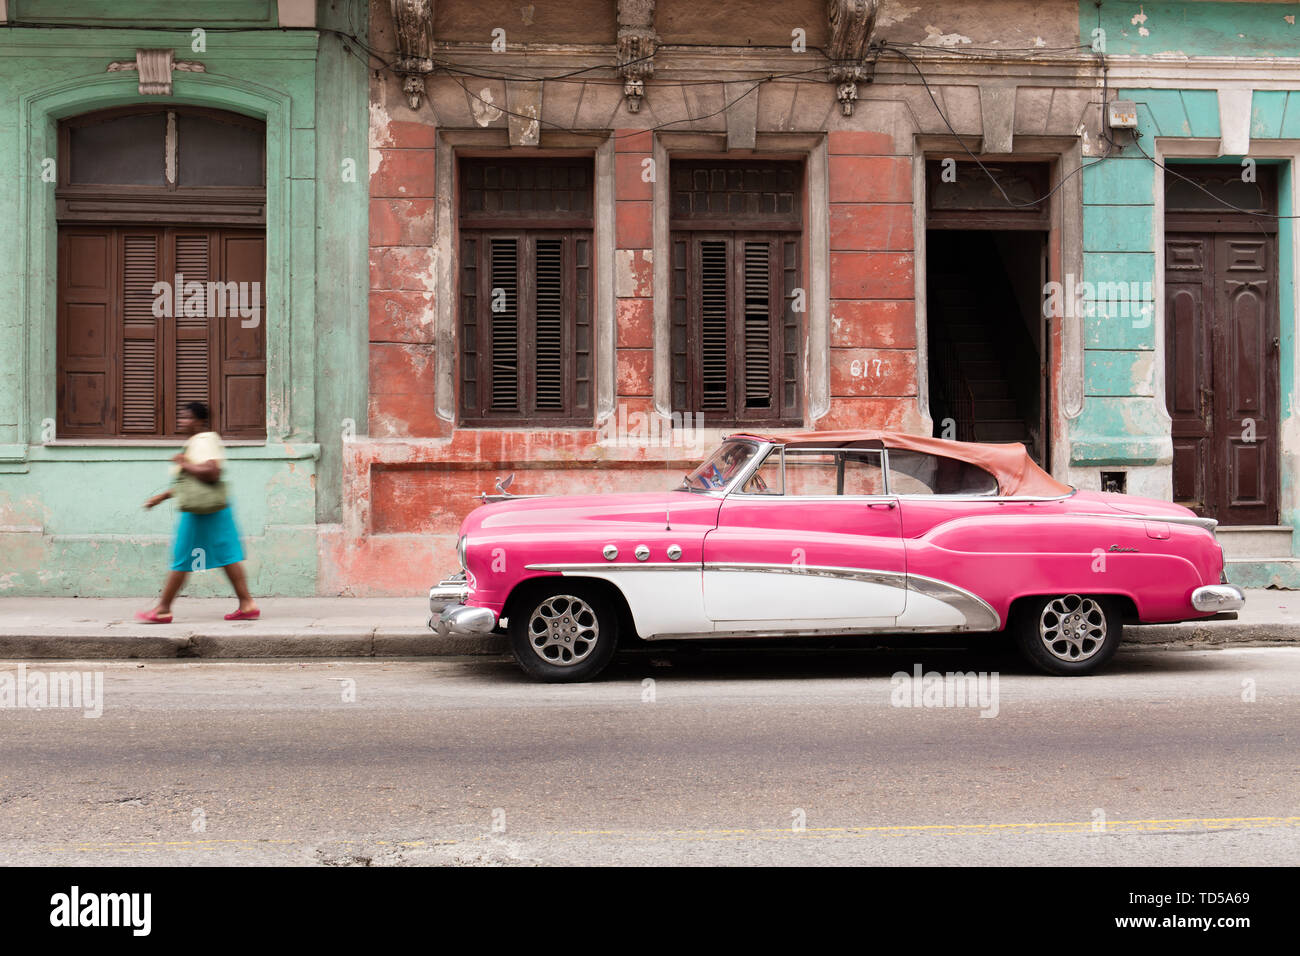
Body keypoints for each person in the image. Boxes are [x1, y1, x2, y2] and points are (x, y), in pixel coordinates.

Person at [136, 402, 260, 623]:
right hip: (216, 508)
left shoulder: (203, 441)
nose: (182, 421)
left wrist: (184, 464)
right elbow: (193, 484)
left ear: (199, 421)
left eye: (187, 417)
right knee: (228, 556)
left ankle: (163, 609)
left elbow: (212, 472)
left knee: (183, 557)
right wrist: (162, 497)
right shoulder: (201, 441)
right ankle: (247, 604)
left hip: (199, 512)